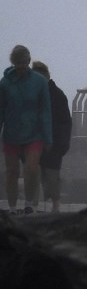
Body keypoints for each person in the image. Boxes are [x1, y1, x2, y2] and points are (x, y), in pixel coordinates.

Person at [0, 45, 52, 214]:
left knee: (31, 169)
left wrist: (48, 137)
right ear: (13, 63)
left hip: (34, 134)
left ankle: (29, 203)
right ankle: (13, 207)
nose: (21, 66)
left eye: (24, 62)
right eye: (18, 63)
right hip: (11, 134)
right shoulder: (5, 83)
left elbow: (45, 111)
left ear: (29, 61)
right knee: (12, 172)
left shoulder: (40, 82)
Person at [29, 61, 71, 213]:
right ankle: (33, 205)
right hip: (35, 140)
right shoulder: (32, 94)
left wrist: (62, 144)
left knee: (52, 177)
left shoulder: (57, 95)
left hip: (54, 143)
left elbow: (65, 121)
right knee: (34, 174)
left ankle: (55, 205)